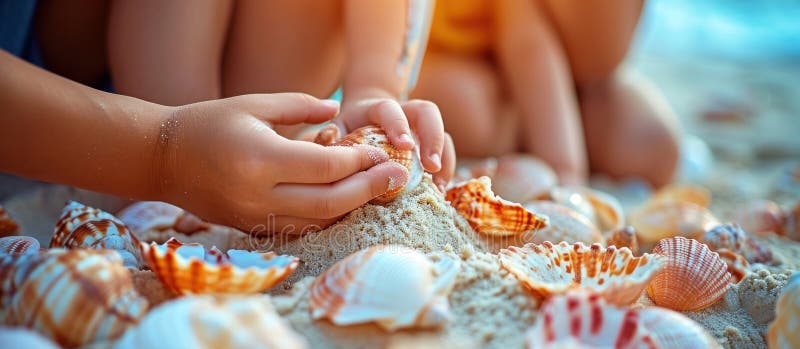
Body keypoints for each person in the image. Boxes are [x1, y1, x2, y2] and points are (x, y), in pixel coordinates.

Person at [0, 0, 449, 236]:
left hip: (242, 86)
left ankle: (241, 148)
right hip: (49, 90)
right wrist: (165, 152)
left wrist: (375, 85)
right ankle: (182, 145)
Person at [107, 0, 455, 190]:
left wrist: (374, 88)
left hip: (274, 73)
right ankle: (175, 150)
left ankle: (262, 145)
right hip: (117, 89)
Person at [411, 0, 681, 187]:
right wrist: (565, 171)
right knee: (464, 107)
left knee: (651, 145)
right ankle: (530, 134)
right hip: (459, 58)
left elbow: (533, 46)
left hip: (560, 64)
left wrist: (566, 175)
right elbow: (527, 45)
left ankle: (530, 130)